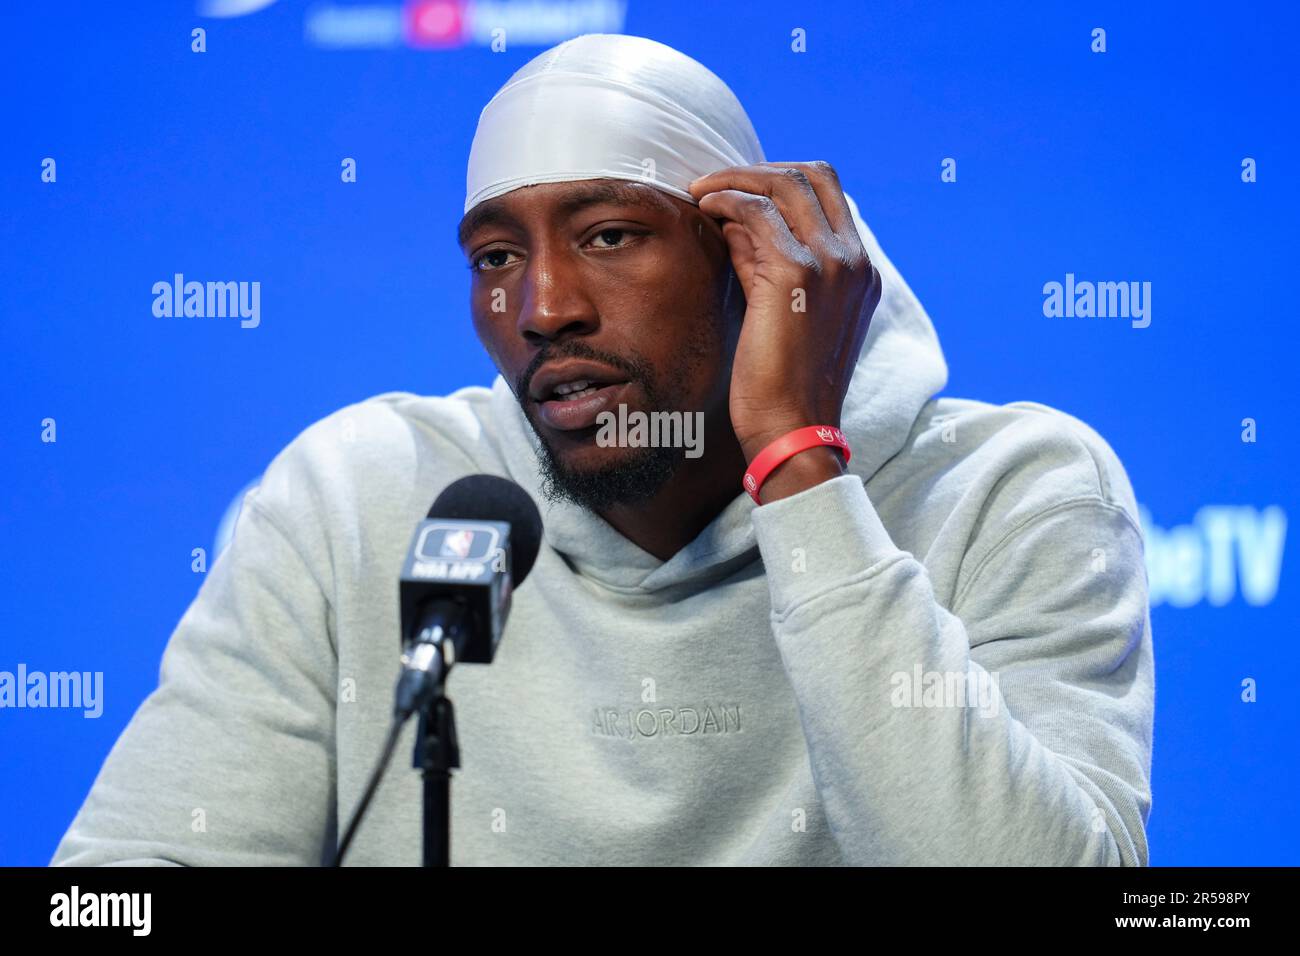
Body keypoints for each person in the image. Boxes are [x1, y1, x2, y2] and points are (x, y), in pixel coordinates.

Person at [51, 33, 1153, 866]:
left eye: (608, 234)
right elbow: (124, 883)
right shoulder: (363, 491)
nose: (540, 307)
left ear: (748, 257)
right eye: (494, 255)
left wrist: (801, 464)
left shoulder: (1016, 490)